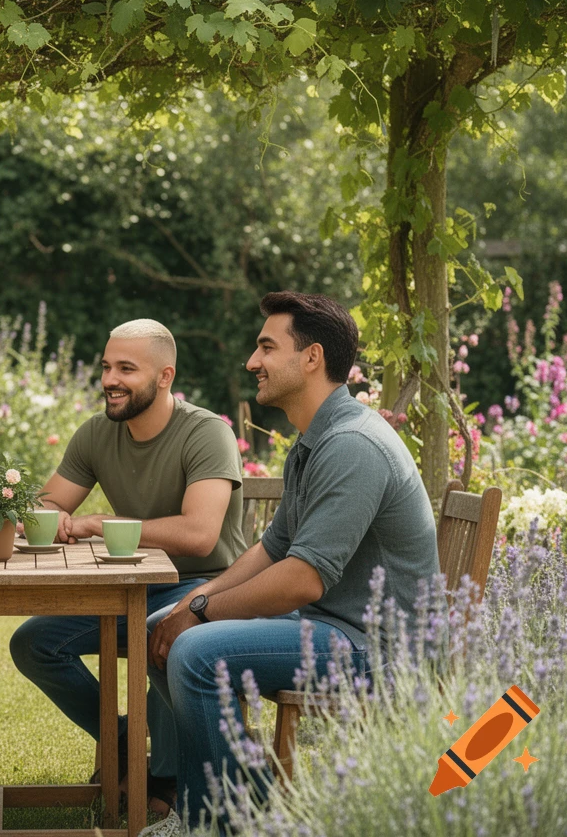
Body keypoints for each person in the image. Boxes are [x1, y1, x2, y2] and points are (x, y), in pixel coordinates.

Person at [139, 291, 440, 835]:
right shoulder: (313, 441)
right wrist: (189, 602)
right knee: (159, 630)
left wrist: (202, 613)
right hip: (328, 626)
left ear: (312, 358)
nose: (253, 362)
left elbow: (301, 578)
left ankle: (215, 824)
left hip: (377, 648)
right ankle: (258, 811)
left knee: (193, 651)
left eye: (266, 347)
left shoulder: (352, 444)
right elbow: (274, 548)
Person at [9, 318, 247, 807]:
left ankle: (164, 782)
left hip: (208, 589)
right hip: (130, 588)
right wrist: (44, 515)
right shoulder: (97, 433)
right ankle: (122, 736)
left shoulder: (207, 434)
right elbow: (51, 504)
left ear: (164, 377)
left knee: (159, 632)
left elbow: (200, 535)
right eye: (106, 367)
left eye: (125, 369)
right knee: (34, 642)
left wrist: (100, 523)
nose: (109, 380)